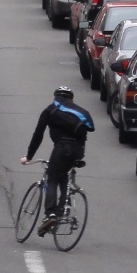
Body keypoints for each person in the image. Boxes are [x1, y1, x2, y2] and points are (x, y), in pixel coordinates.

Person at [20, 85, 94, 235]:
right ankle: (63, 208)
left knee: (52, 178)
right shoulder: (81, 112)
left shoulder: (50, 110)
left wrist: (29, 156)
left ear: (55, 97)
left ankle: (51, 214)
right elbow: (89, 128)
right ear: (71, 99)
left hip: (62, 148)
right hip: (79, 150)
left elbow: (38, 135)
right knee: (63, 174)